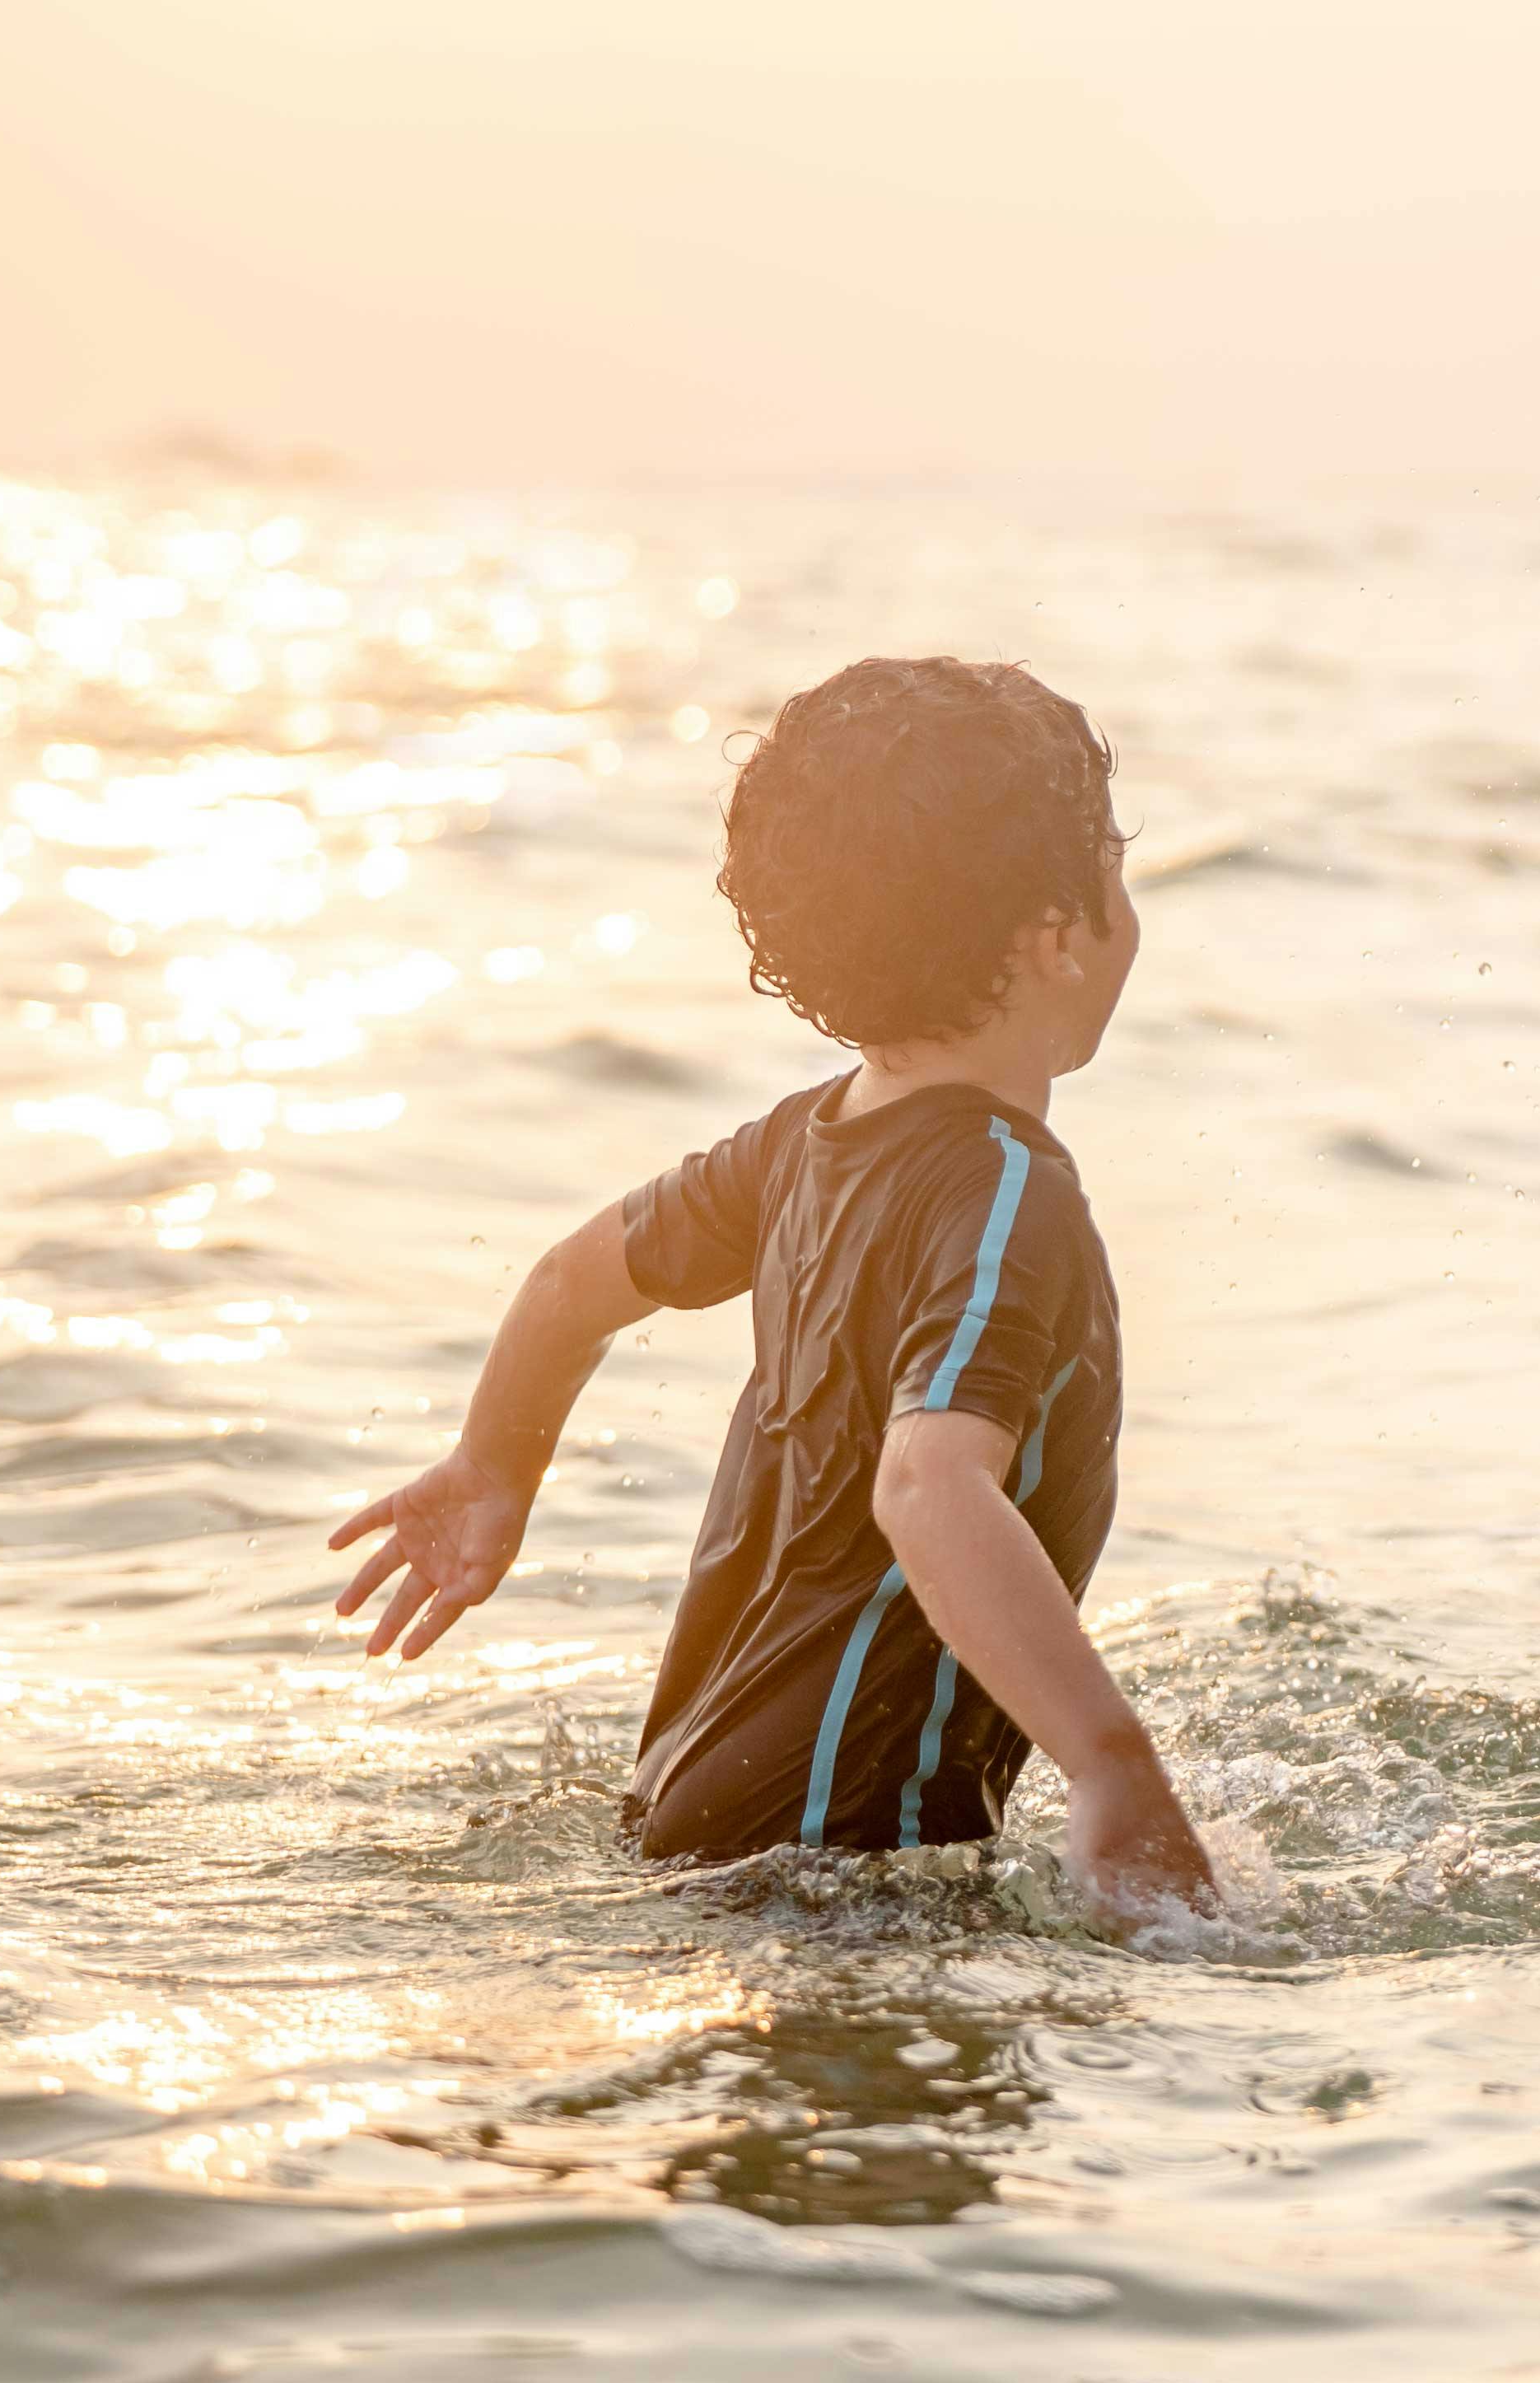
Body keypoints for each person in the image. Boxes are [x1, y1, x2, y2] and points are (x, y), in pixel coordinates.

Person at [328, 654, 1220, 1924]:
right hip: (840, 1862)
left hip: (691, 1811)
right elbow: (927, 1486)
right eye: (1118, 874)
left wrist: (493, 1468)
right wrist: (1116, 1773)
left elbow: (571, 1283)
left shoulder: (801, 1146)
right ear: (1060, 934)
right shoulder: (1008, 1190)